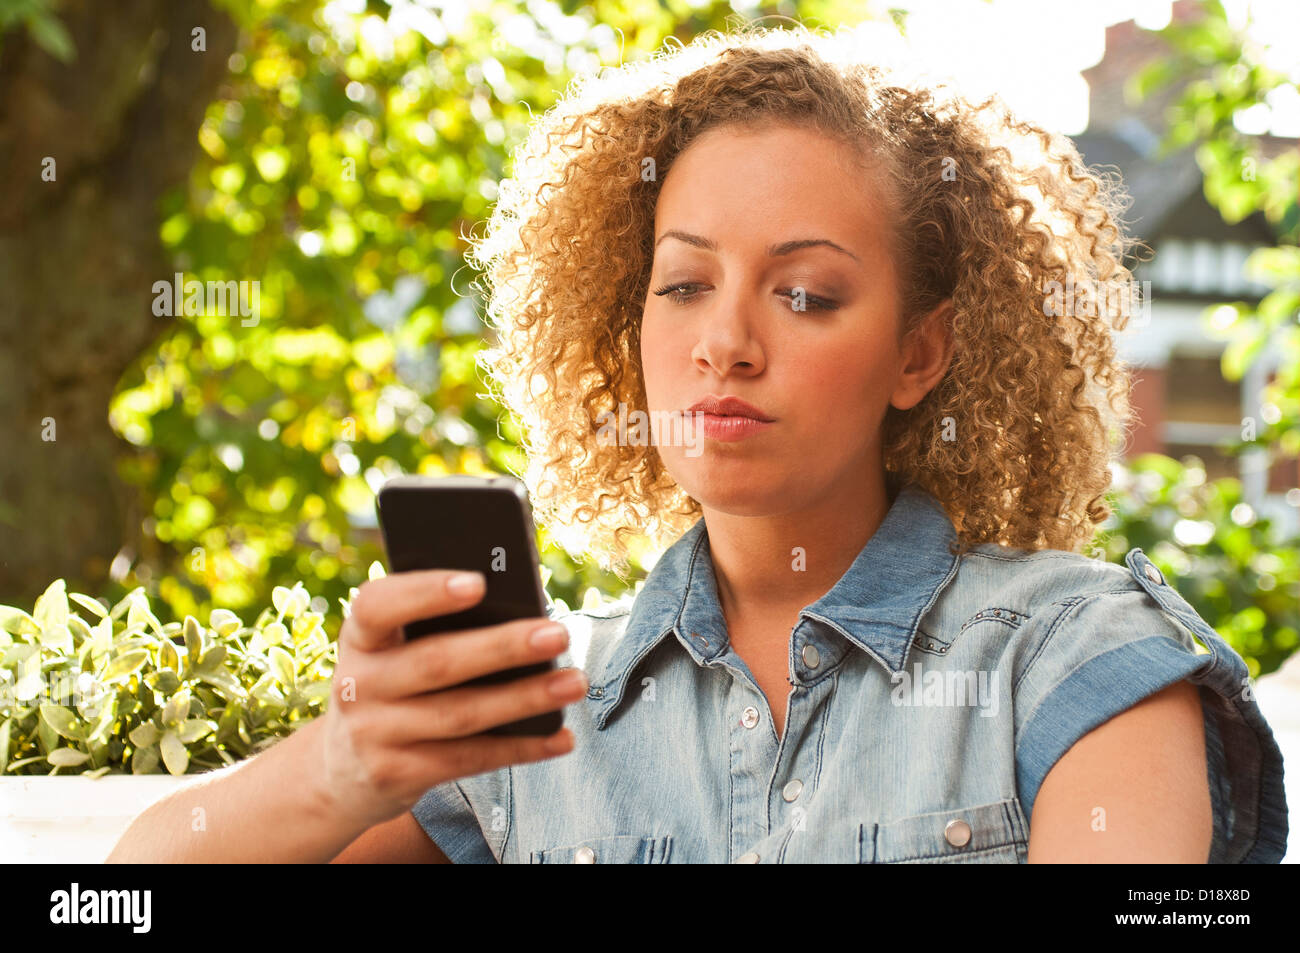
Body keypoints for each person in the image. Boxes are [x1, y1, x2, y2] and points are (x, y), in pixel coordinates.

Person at [107, 23, 1287, 865]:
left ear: (918, 354)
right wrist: (341, 768)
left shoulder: (1075, 657)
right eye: (682, 284)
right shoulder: (533, 707)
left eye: (807, 294)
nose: (723, 343)